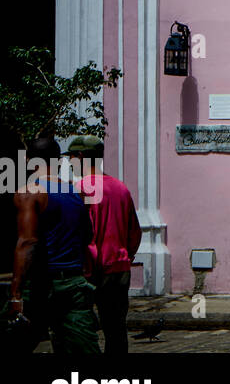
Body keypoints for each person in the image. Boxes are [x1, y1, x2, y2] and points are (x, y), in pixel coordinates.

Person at [7, 134, 100, 354]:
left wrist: (15, 293)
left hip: (41, 284)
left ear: (29, 160)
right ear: (58, 160)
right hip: (73, 284)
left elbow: (27, 242)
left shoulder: (30, 192)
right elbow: (87, 235)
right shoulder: (75, 192)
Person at [69, 135, 141, 354]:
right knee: (116, 329)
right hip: (119, 266)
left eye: (71, 158)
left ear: (80, 156)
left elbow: (76, 231)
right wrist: (126, 255)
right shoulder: (121, 188)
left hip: (90, 269)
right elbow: (135, 231)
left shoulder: (79, 188)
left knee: (79, 329)